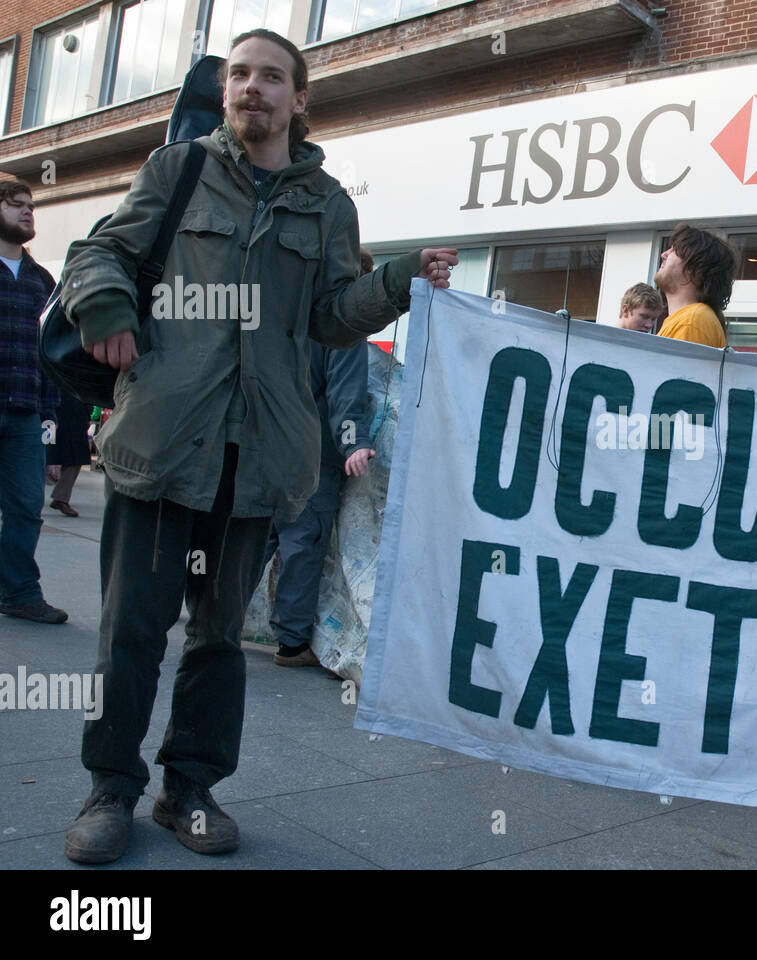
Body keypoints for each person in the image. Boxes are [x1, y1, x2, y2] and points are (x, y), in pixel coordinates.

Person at [59, 29, 457, 865]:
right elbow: (102, 249)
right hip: (164, 441)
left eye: (270, 77)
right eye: (238, 75)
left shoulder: (327, 205)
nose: (251, 89)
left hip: (255, 455)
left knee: (216, 636)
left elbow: (329, 318)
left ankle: (189, 790)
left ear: (299, 99)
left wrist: (395, 285)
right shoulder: (180, 171)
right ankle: (110, 790)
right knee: (131, 628)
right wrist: (106, 310)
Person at [262, 251, 377, 670]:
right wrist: (354, 443)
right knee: (301, 544)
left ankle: (209, 614)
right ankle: (291, 643)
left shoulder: (283, 307)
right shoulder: (344, 325)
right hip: (310, 455)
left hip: (262, 443)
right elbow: (346, 391)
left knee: (251, 535)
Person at [0, 177, 66, 625]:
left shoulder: (43, 280)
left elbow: (53, 356)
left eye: (30, 205)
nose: (27, 212)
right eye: (15, 205)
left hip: (26, 416)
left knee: (27, 506)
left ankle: (19, 592)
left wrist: (51, 425)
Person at [654, 224, 739, 348]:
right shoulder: (690, 319)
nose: (664, 254)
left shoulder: (691, 321)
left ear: (696, 268)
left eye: (675, 250)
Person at [46, 391, 92, 517]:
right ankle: (31, 500)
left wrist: (86, 414)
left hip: (76, 414)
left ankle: (61, 498)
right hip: (51, 413)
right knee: (43, 455)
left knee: (76, 458)